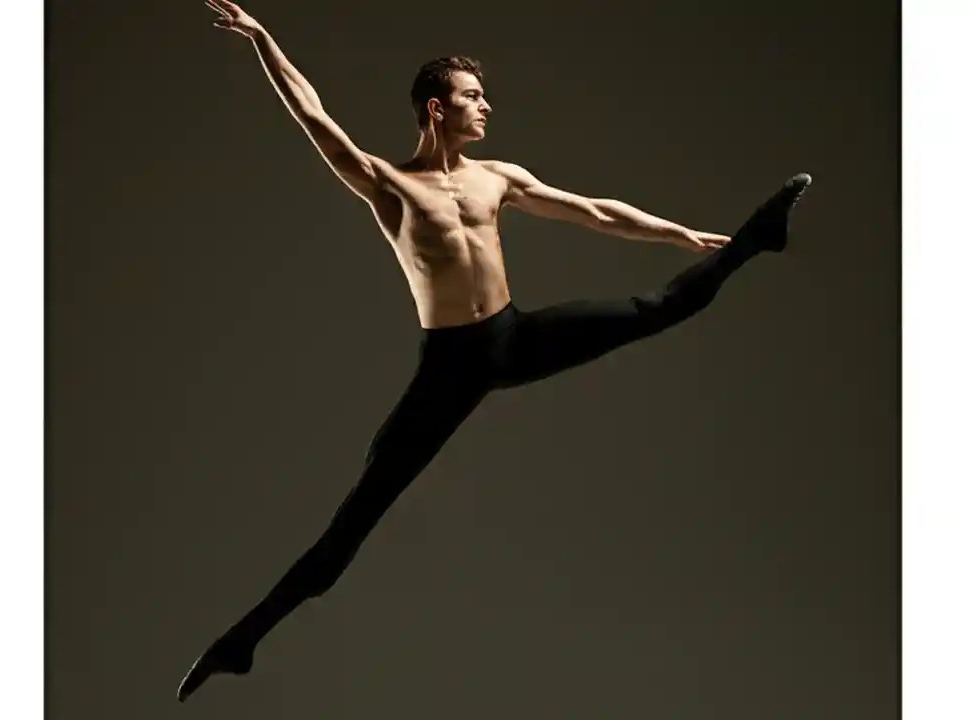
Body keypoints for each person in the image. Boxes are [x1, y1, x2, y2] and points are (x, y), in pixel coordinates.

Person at [179, 0, 812, 702]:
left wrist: (681, 234)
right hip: (448, 366)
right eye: (472, 96)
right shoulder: (388, 186)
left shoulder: (497, 177)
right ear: (434, 108)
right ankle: (240, 642)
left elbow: (594, 209)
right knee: (352, 524)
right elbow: (315, 118)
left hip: (511, 337)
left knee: (658, 307)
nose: (487, 107)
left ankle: (758, 237)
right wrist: (265, 39)